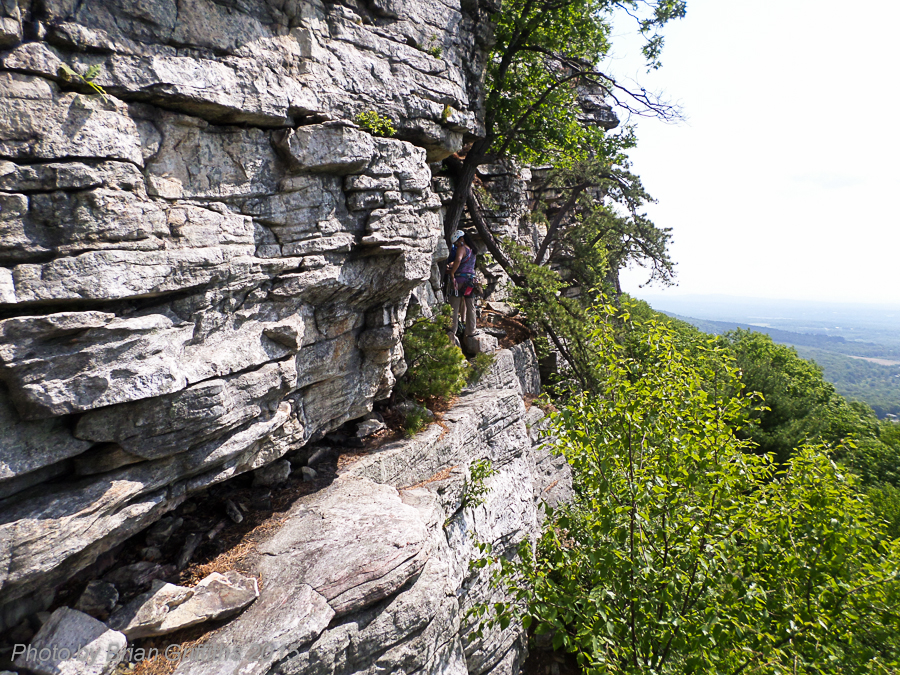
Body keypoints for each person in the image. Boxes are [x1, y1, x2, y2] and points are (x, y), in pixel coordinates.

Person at [446, 230, 478, 344]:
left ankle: (452, 330)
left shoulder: (462, 248)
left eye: (456, 243)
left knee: (454, 304)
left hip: (460, 280)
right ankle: (471, 331)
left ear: (462, 239)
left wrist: (452, 272)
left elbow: (459, 259)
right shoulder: (472, 250)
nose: (456, 245)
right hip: (471, 281)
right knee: (471, 305)